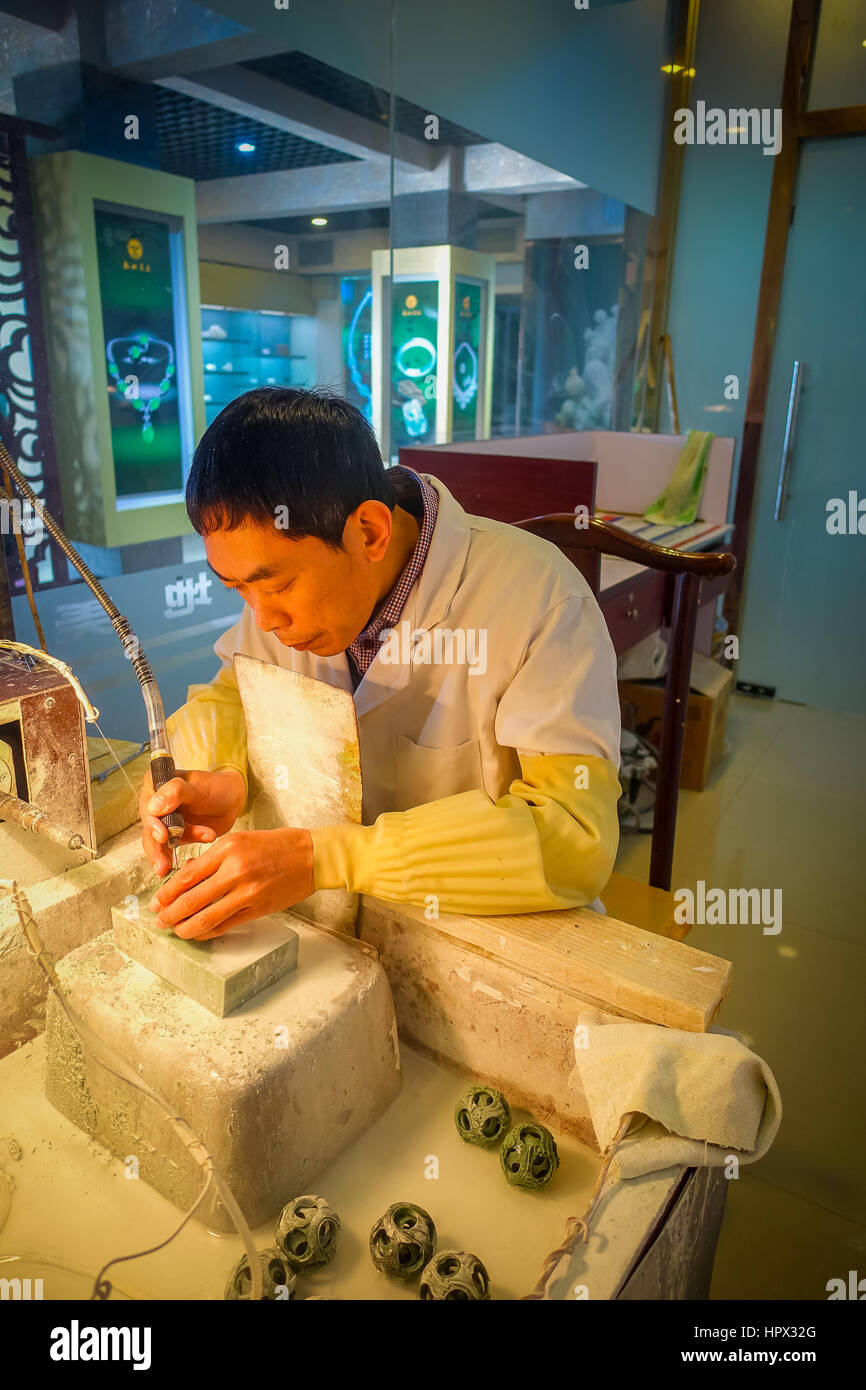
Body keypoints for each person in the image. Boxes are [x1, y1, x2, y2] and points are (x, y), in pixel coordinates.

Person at [140, 388, 622, 939]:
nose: (265, 618)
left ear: (369, 531)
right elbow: (235, 692)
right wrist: (221, 773)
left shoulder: (540, 598)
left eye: (277, 584)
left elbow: (573, 835)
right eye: (237, 589)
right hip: (338, 931)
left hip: (493, 940)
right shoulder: (274, 597)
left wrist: (326, 858)